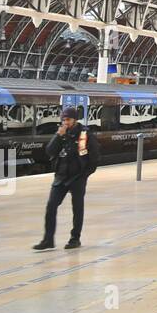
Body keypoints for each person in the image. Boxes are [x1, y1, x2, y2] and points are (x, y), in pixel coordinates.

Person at [34, 107, 99, 250]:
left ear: (75, 120)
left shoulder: (85, 134)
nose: (65, 122)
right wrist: (58, 135)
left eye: (68, 119)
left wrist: (85, 174)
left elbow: (94, 157)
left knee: (77, 208)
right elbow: (50, 151)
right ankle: (48, 240)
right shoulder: (61, 134)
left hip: (77, 177)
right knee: (51, 206)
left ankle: (75, 238)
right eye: (63, 120)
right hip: (61, 176)